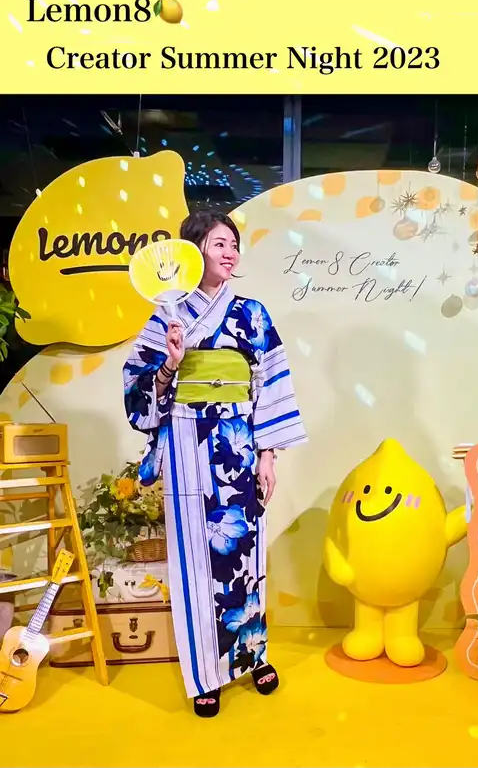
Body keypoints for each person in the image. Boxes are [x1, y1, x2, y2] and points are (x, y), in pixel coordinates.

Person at [123, 208, 307, 717]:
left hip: (239, 446)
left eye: (234, 244)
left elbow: (270, 383)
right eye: (218, 244)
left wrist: (268, 454)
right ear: (191, 252)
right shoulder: (167, 316)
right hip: (187, 444)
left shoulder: (253, 314)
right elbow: (137, 388)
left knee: (245, 558)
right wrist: (170, 364)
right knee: (194, 564)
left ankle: (253, 654)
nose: (230, 253)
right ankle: (204, 672)